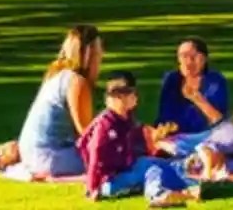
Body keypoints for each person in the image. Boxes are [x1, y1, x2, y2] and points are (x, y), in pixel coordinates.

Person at [0, 24, 104, 177]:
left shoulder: (57, 76)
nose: (100, 58)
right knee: (115, 156)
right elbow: (87, 134)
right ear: (87, 55)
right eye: (98, 53)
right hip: (48, 158)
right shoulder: (76, 82)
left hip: (32, 154)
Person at [81, 72, 211, 207]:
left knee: (155, 164)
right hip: (109, 181)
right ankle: (158, 194)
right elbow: (95, 155)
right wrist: (92, 187)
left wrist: (159, 139)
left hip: (127, 168)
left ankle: (191, 175)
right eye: (132, 94)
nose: (136, 98)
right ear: (120, 97)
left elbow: (140, 140)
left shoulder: (125, 119)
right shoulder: (105, 124)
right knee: (152, 170)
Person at [155, 37, 233, 157]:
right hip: (180, 137)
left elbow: (218, 119)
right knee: (167, 144)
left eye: (193, 57)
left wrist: (197, 98)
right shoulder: (171, 80)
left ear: (204, 59)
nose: (188, 62)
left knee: (228, 134)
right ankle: (200, 153)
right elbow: (164, 116)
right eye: (183, 56)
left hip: (209, 135)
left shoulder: (215, 81)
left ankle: (203, 152)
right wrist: (164, 129)